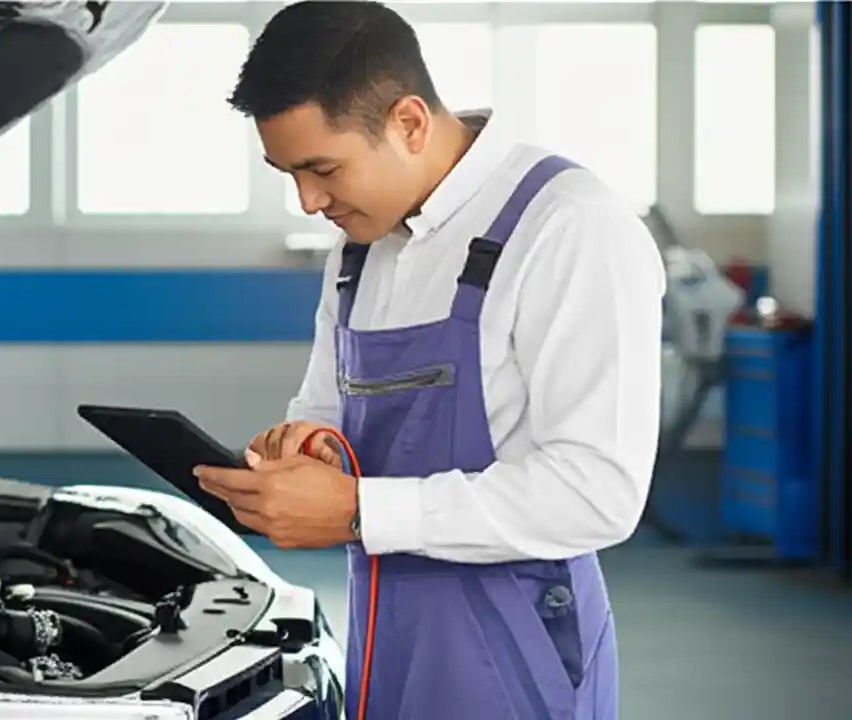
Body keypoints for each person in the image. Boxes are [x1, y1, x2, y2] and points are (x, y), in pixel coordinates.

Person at [192, 2, 666, 719]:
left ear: (409, 122)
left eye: (322, 169)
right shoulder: (360, 247)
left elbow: (599, 491)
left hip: (517, 650)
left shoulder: (569, 227)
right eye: (287, 173)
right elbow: (325, 406)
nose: (308, 200)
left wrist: (357, 511)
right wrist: (305, 448)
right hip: (387, 630)